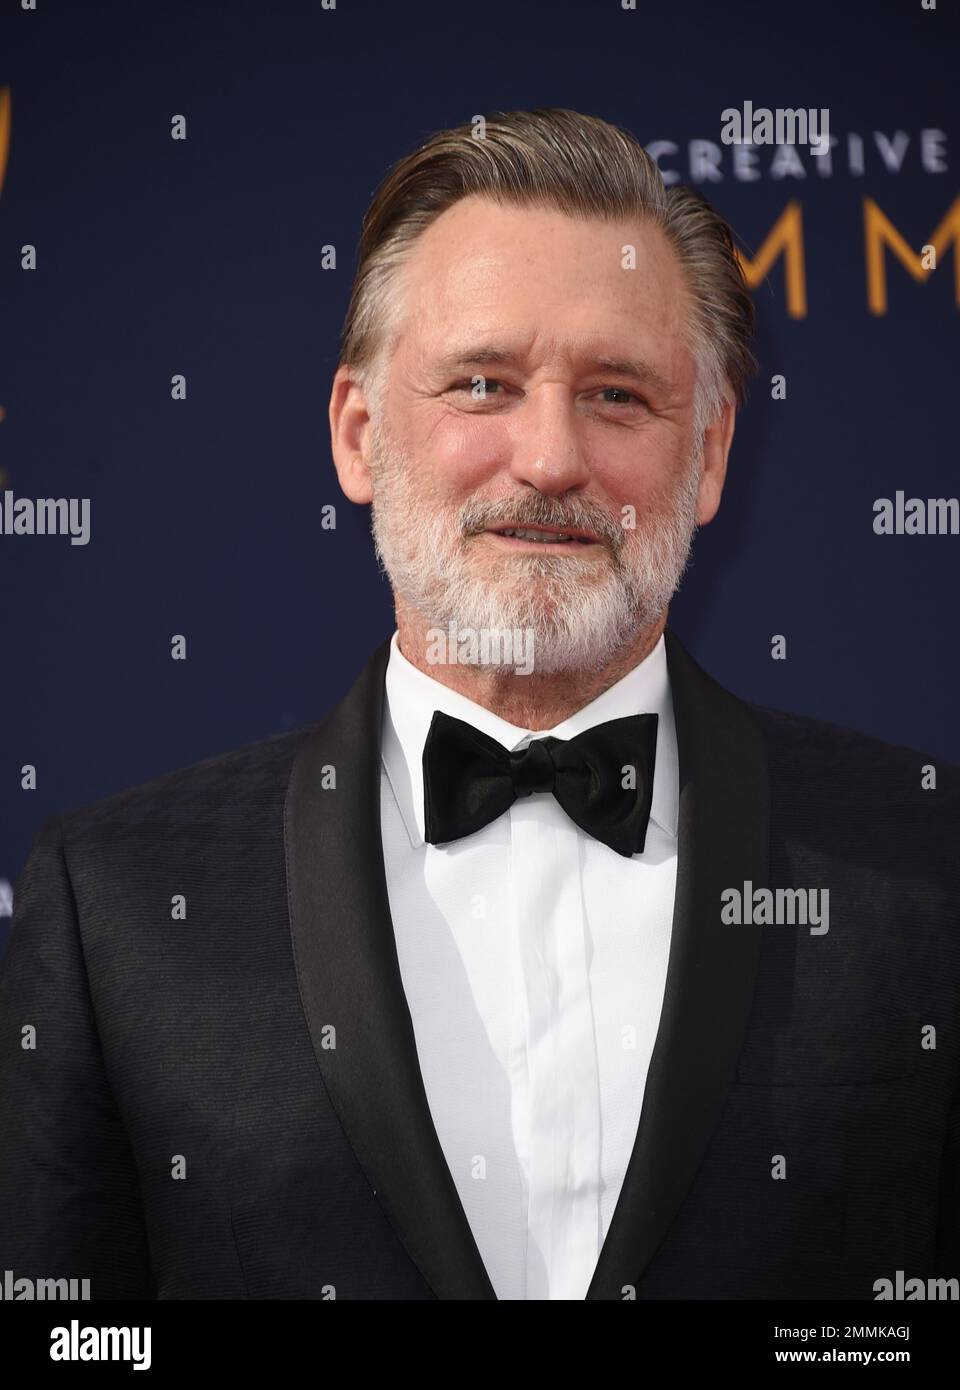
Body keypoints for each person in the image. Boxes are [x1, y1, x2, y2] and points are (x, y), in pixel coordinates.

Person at [1, 108, 957, 1302]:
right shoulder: (118, 905)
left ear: (709, 456)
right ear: (359, 435)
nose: (550, 457)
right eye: (483, 382)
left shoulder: (927, 870)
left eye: (617, 394)